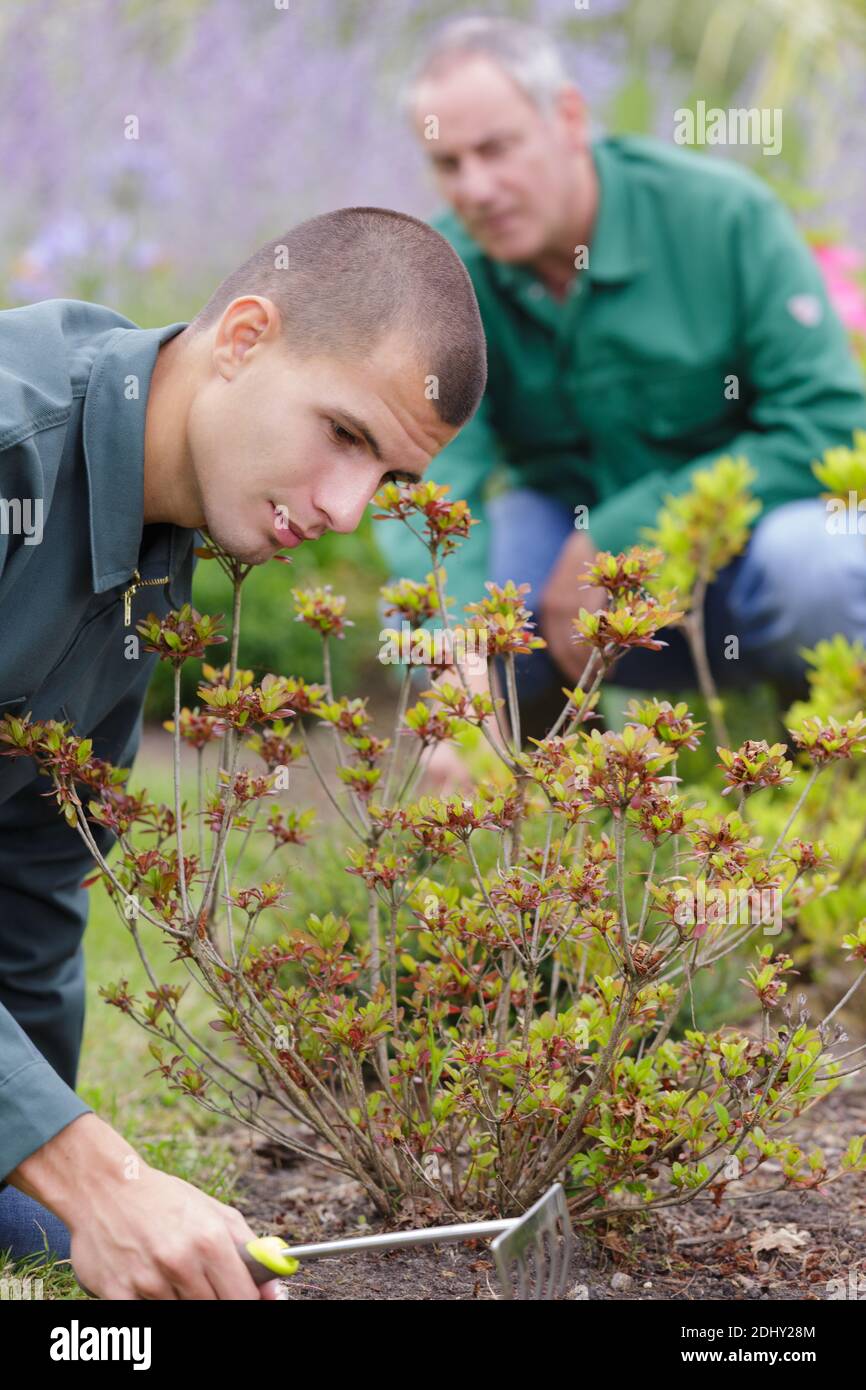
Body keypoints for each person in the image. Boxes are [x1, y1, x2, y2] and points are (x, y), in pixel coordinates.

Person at [0, 206, 486, 1298]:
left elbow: (31, 857)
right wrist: (99, 1178)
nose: (345, 509)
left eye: (385, 481)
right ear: (243, 336)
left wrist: (44, 1178)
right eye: (347, 436)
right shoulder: (11, 447)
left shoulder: (157, 531)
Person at [376, 15, 866, 767]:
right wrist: (454, 670)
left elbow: (832, 428)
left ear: (568, 118)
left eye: (498, 149)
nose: (476, 186)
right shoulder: (449, 275)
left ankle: (827, 773)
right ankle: (546, 798)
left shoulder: (724, 220)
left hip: (744, 561)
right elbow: (437, 487)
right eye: (449, 162)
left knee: (825, 563)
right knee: (462, 592)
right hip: (567, 592)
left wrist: (617, 534)